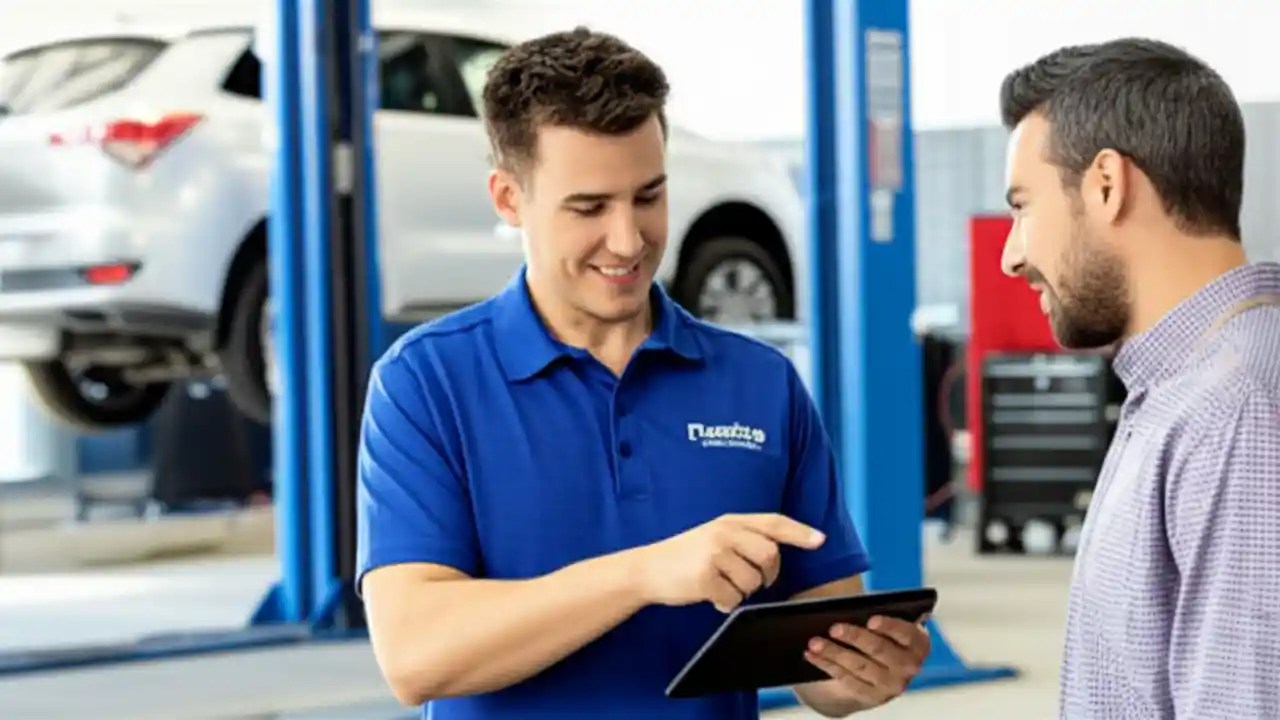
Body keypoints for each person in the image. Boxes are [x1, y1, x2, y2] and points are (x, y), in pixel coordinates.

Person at [354, 27, 929, 720]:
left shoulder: (761, 385)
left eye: (648, 196)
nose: (628, 240)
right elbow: (415, 655)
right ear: (508, 198)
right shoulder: (425, 385)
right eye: (589, 208)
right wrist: (645, 574)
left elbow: (822, 664)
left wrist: (863, 675)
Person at [999, 37, 1280, 719]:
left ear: (1107, 184)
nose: (1012, 256)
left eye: (1023, 207)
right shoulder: (1184, 387)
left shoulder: (1233, 408)